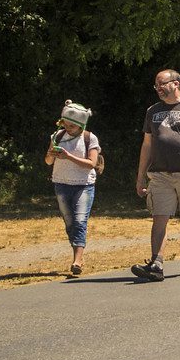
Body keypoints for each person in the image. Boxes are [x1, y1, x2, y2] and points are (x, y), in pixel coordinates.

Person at [131, 69, 180, 282]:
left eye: (162, 84)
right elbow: (147, 145)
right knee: (159, 217)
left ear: (176, 84)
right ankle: (156, 264)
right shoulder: (152, 111)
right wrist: (140, 177)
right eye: (156, 85)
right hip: (160, 174)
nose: (158, 88)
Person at [45, 101, 103, 279]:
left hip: (84, 185)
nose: (68, 128)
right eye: (65, 124)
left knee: (79, 220)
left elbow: (91, 164)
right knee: (69, 222)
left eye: (72, 125)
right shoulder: (57, 136)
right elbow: (48, 161)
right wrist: (51, 154)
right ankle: (77, 249)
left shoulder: (89, 138)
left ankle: (77, 260)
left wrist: (68, 156)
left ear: (81, 125)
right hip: (61, 184)